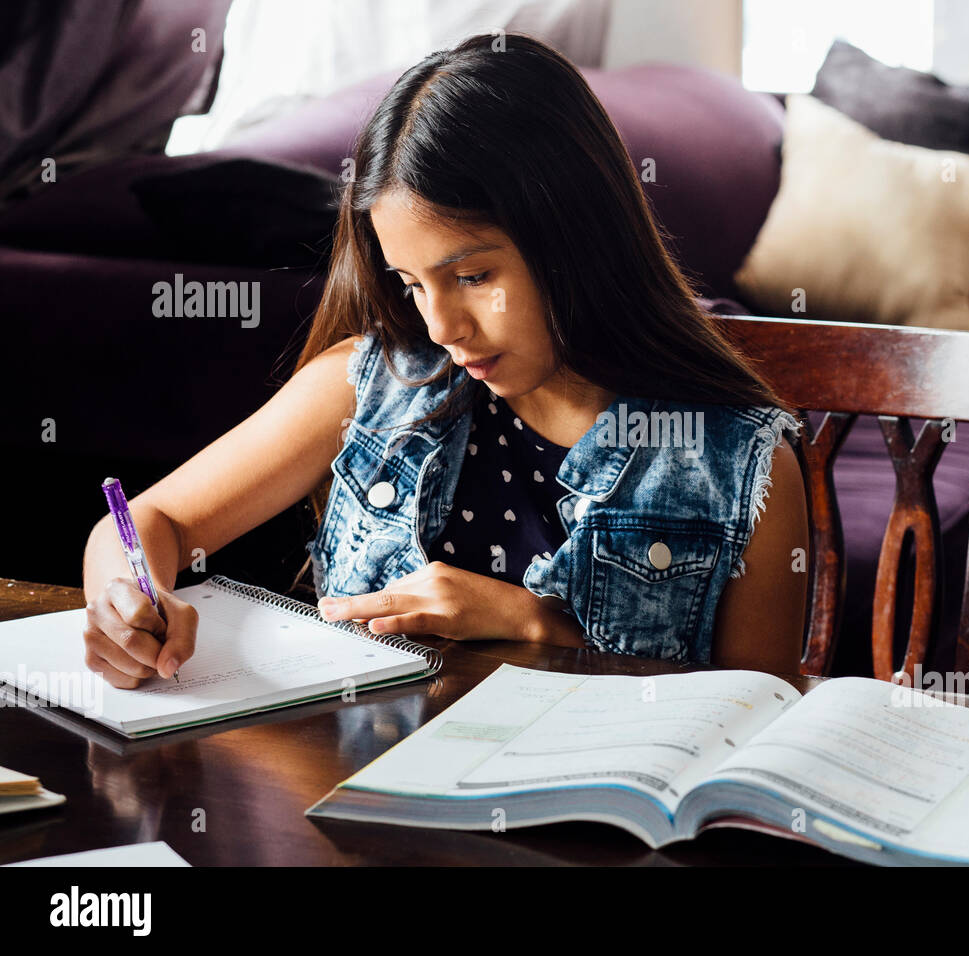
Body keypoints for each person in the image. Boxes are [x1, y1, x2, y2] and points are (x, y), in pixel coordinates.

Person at [81, 33, 808, 686]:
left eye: (472, 277)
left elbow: (744, 733)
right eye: (410, 283)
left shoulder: (739, 467)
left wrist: (537, 625)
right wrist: (128, 597)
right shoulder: (372, 385)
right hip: (355, 807)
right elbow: (150, 521)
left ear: (575, 235)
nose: (442, 325)